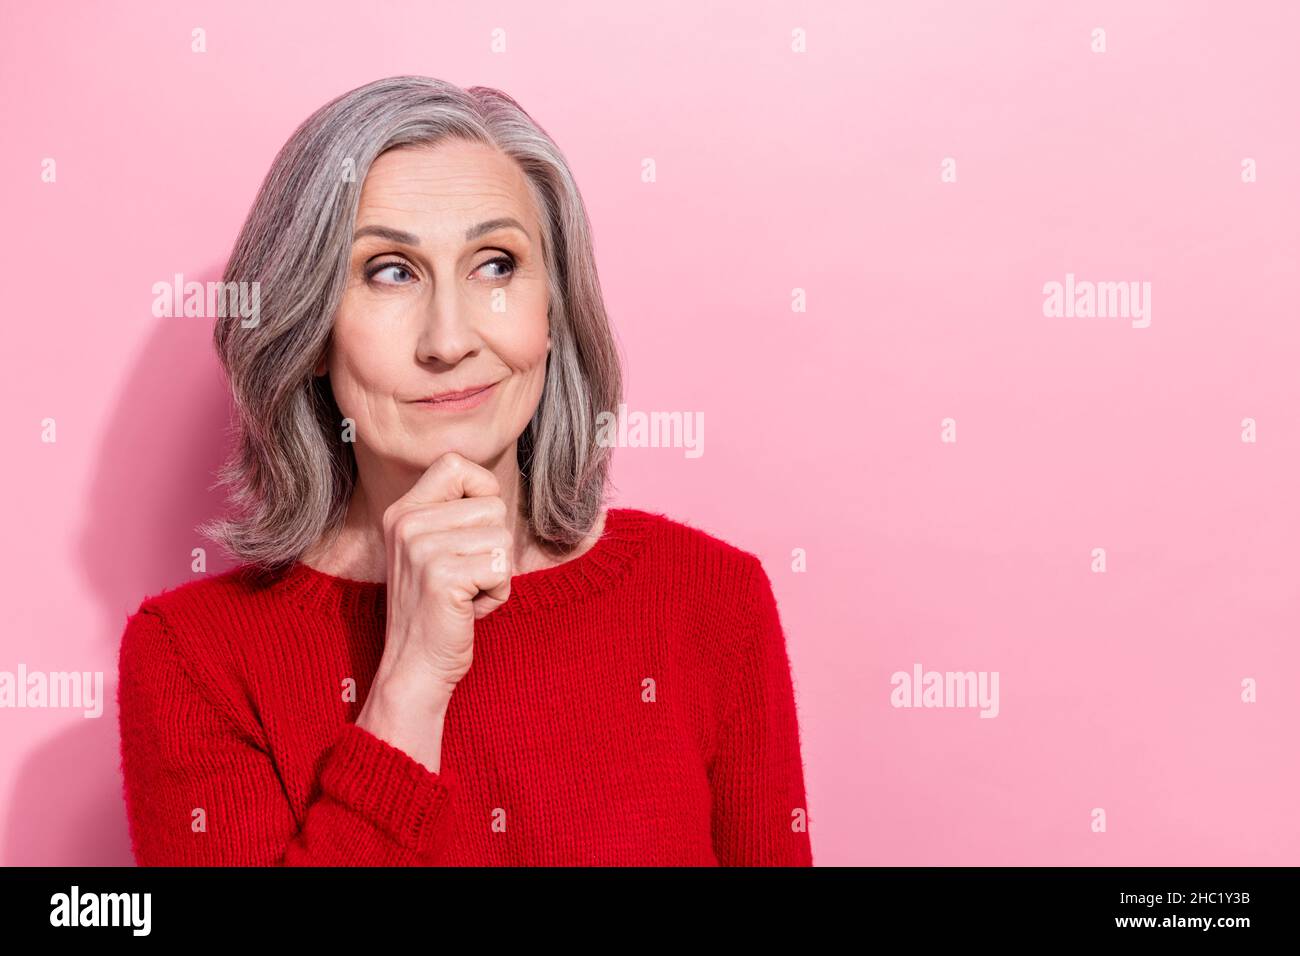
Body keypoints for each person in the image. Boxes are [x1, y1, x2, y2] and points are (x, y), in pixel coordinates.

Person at [117, 75, 812, 866]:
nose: (448, 340)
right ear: (310, 332)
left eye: (495, 264)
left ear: (554, 312)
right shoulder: (192, 659)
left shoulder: (710, 600)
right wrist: (409, 683)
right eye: (389, 272)